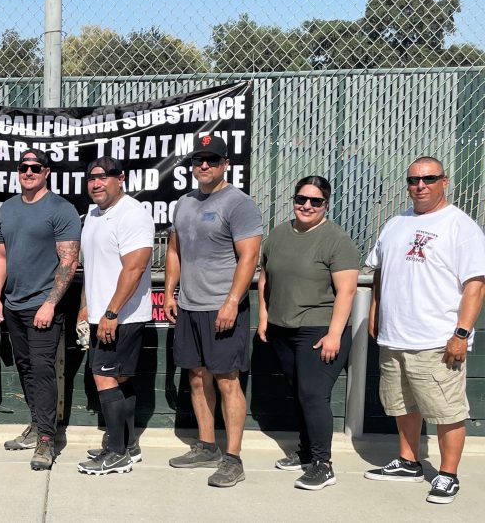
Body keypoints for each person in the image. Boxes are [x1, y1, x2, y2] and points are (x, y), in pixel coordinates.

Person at [363, 157, 485, 505]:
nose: (421, 185)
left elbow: (475, 285)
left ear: (444, 181)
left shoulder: (460, 226)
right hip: (395, 335)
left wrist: (461, 334)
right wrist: (375, 311)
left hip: (437, 340)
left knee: (447, 411)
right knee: (403, 404)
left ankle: (448, 474)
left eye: (429, 179)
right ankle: (408, 460)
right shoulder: (395, 223)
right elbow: (380, 273)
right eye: (414, 180)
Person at [163, 134, 262, 488]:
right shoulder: (184, 203)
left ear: (225, 165)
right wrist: (171, 293)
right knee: (195, 376)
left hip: (222, 308)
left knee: (227, 381)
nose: (204, 165)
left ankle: (233, 458)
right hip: (189, 306)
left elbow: (249, 256)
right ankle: (207, 446)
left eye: (212, 159)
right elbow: (173, 250)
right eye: (198, 159)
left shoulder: (239, 203)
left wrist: (232, 301)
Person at [257, 176, 359, 490]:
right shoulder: (279, 234)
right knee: (299, 392)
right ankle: (304, 453)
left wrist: (334, 334)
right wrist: (264, 316)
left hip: (318, 328)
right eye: (302, 199)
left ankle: (322, 464)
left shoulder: (336, 239)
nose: (307, 206)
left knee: (313, 395)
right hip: (282, 328)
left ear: (326, 204)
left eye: (315, 201)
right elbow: (265, 278)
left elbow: (347, 291)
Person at [0, 148, 80, 471]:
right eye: (24, 167)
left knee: (42, 371)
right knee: (26, 369)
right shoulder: (8, 209)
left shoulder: (61, 209)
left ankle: (46, 439)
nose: (29, 172)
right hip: (12, 305)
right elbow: (0, 256)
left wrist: (50, 303)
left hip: (43, 307)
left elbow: (69, 261)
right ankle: (35, 424)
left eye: (35, 167)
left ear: (46, 172)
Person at [76, 157, 154, 475]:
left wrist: (111, 312)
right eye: (91, 179)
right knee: (119, 378)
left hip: (122, 316)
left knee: (104, 376)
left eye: (103, 178)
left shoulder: (132, 214)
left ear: (120, 179)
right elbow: (91, 266)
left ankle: (117, 453)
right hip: (102, 314)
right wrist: (86, 305)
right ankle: (127, 445)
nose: (96, 183)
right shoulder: (94, 215)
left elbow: (134, 268)